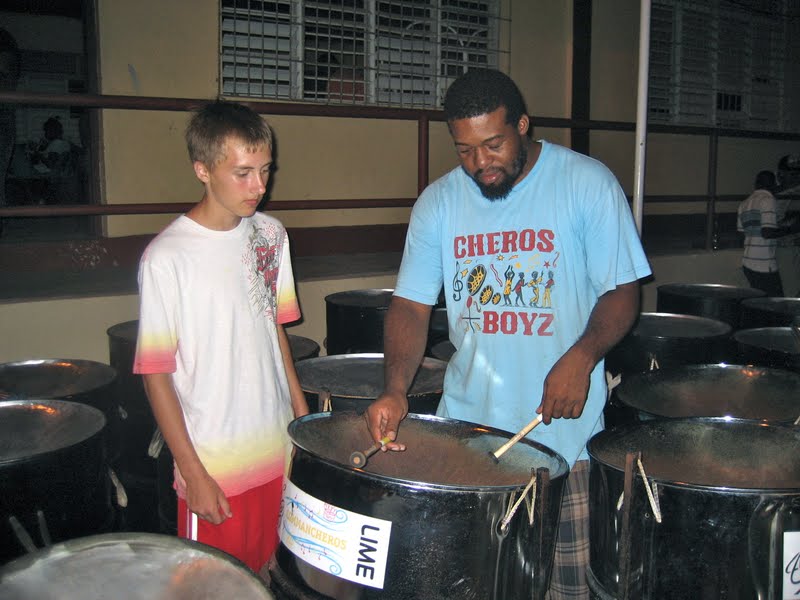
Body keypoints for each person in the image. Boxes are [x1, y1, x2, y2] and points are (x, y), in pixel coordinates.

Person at [364, 68, 651, 599]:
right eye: (465, 150)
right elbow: (409, 306)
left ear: (522, 125)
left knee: (568, 588)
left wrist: (582, 356)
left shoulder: (586, 183)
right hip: (470, 440)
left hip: (566, 443)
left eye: (493, 144)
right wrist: (395, 388)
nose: (480, 164)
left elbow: (622, 293)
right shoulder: (439, 202)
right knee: (476, 586)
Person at [133, 100, 309, 573]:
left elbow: (276, 334)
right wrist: (192, 472)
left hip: (278, 451)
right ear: (203, 170)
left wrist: (302, 423)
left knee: (275, 577)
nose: (260, 187)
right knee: (213, 584)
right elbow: (156, 376)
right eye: (243, 173)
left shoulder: (271, 236)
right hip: (215, 465)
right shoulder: (166, 258)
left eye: (266, 170)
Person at [737, 170, 799, 297]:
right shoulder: (768, 200)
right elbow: (767, 233)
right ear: (772, 184)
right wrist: (793, 229)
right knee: (777, 304)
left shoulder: (744, 204)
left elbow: (743, 233)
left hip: (748, 262)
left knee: (761, 303)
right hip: (764, 264)